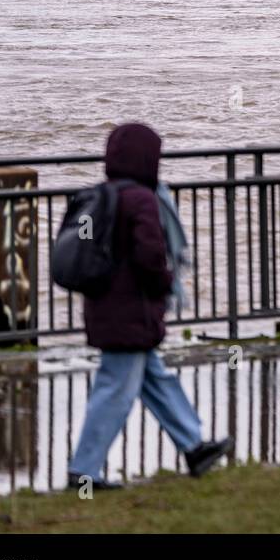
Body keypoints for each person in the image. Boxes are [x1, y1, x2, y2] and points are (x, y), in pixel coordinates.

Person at [68, 122, 232, 490]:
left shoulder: (102, 196)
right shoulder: (142, 199)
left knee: (155, 379)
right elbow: (150, 256)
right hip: (132, 311)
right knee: (114, 388)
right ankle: (83, 471)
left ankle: (194, 447)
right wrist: (164, 285)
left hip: (105, 306)